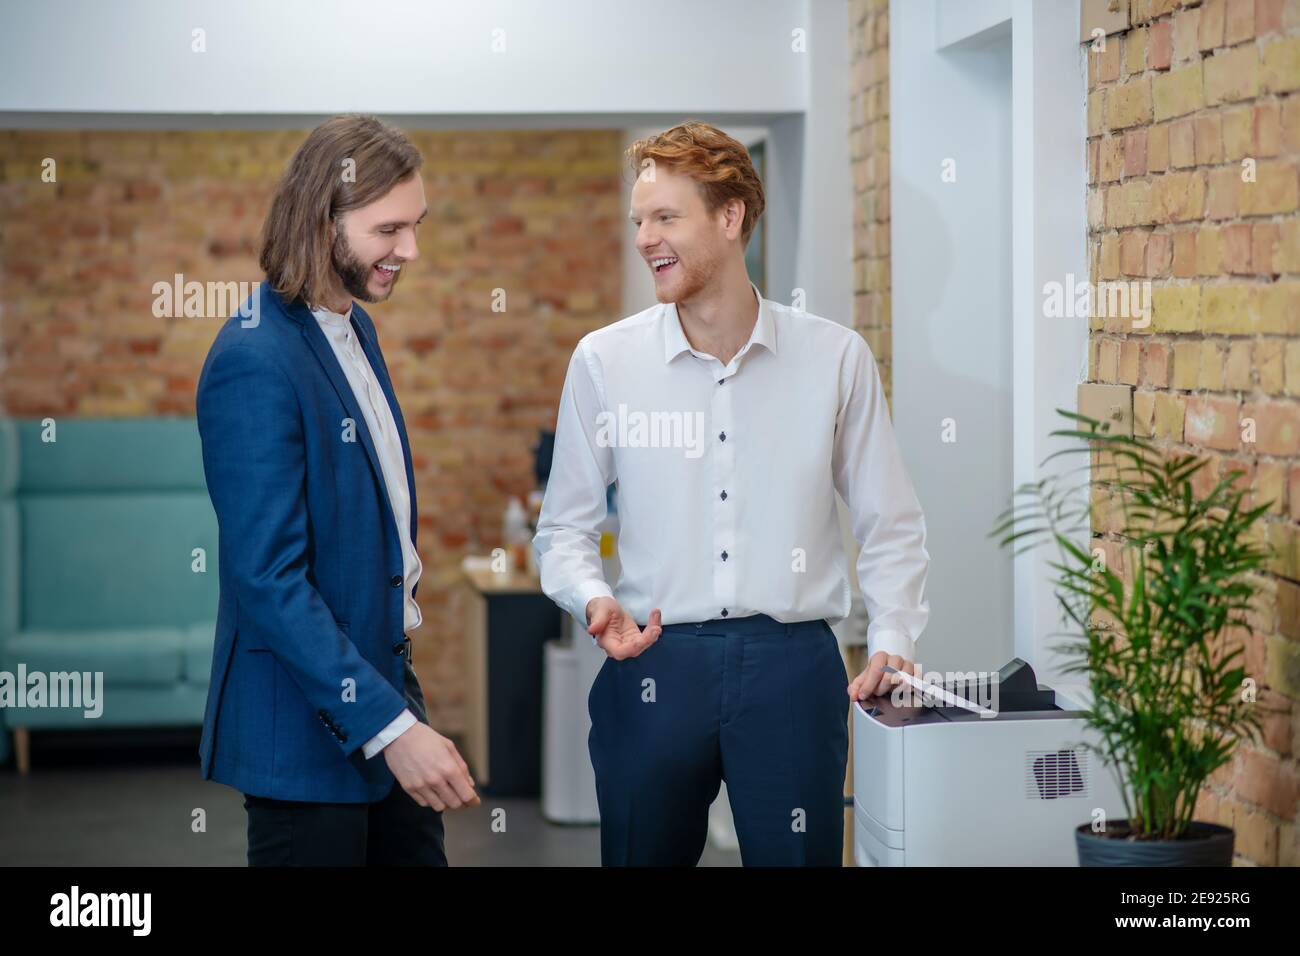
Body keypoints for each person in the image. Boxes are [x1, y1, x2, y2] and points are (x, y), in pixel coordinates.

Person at [534, 121, 931, 866]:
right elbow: (564, 529)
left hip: (791, 670)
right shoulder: (605, 361)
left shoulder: (833, 357)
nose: (645, 237)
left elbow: (890, 521)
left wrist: (893, 639)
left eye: (665, 217)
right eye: (638, 221)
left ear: (729, 217)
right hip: (651, 659)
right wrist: (593, 597)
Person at [196, 114, 477, 867]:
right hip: (306, 737)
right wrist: (391, 726)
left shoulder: (352, 328)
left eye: (415, 227)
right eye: (389, 230)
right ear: (325, 220)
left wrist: (396, 709)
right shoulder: (254, 355)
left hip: (383, 693)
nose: (409, 251)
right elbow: (268, 579)